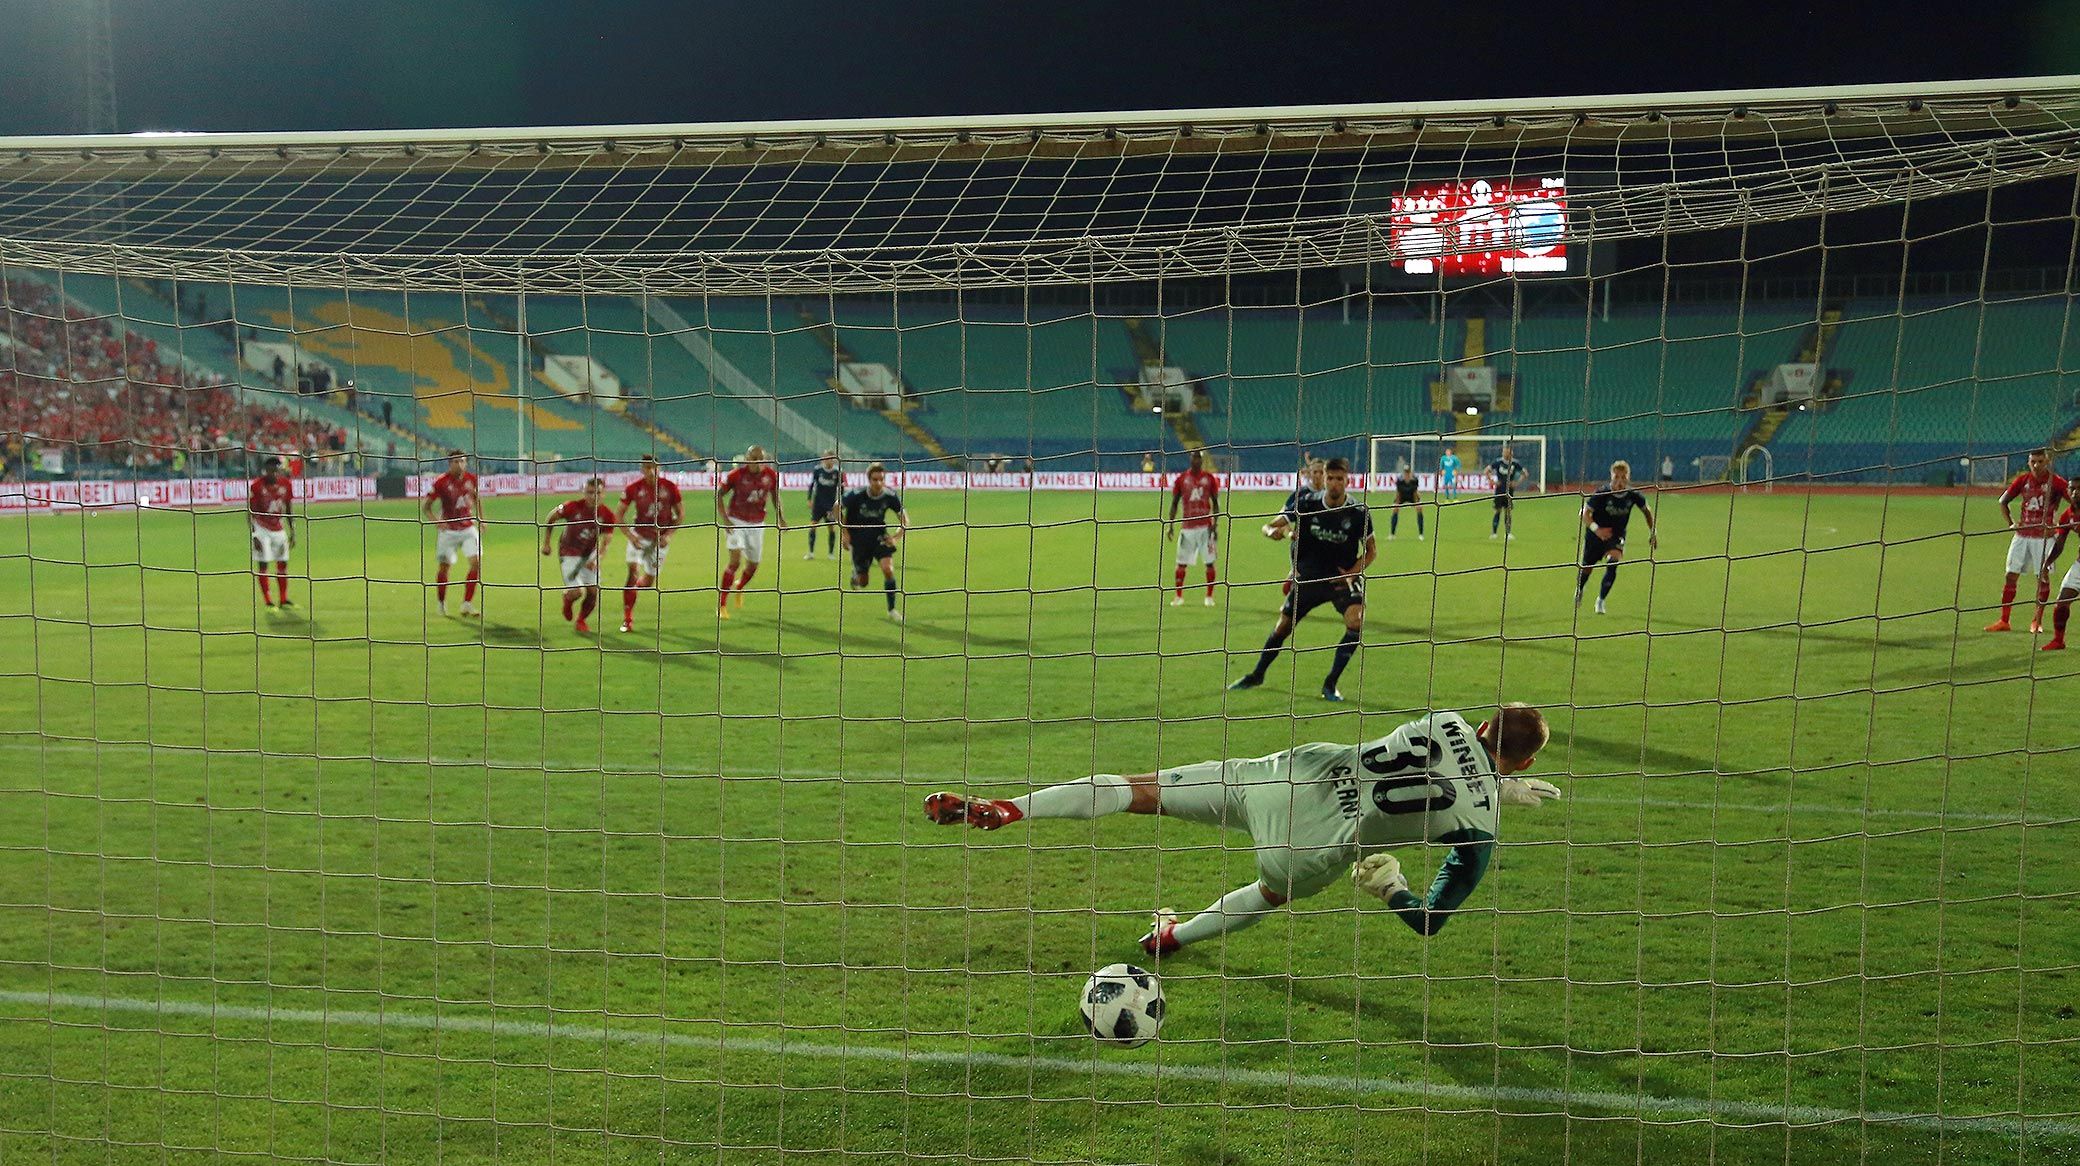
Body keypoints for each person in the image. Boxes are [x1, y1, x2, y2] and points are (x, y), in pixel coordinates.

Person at [923, 703, 1558, 955]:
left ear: (1481, 726)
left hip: (1283, 777)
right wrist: (1393, 886)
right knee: (1269, 894)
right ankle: (1175, 939)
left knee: (1140, 791)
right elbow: (1430, 921)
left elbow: (1448, 760)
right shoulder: (1480, 826)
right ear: (1526, 762)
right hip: (1310, 847)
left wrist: (1493, 777)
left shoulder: (1446, 719)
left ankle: (1012, 808)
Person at [1231, 456, 1375, 701]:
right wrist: (1271, 532)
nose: (1334, 483)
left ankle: (1330, 684)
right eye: (1330, 478)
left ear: (1347, 480)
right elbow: (1269, 525)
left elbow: (1371, 551)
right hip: (1309, 577)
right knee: (1282, 628)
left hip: (1340, 579)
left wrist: (1352, 572)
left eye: (1339, 479)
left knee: (1356, 621)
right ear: (1325, 478)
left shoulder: (1359, 512)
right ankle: (1257, 674)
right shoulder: (1306, 503)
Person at [1986, 448, 2069, 633]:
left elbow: (2075, 504)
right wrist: (2011, 523)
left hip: (2044, 539)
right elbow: (2003, 501)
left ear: (2047, 461)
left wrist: (2061, 523)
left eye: (2040, 461)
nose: (2036, 465)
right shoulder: (2023, 480)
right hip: (2022, 536)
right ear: (2028, 462)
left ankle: (2036, 622)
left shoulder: (2056, 482)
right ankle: (2004, 620)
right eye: (2033, 462)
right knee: (2010, 575)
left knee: (2042, 578)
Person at [1576, 460, 1658, 615]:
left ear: (1628, 478)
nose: (1620, 481)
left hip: (1616, 536)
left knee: (1613, 562)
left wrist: (1653, 532)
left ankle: (1601, 600)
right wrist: (1597, 530)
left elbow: (1647, 511)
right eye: (1617, 477)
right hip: (1595, 536)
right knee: (1586, 569)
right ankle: (1580, 589)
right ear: (1611, 477)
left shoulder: (1634, 495)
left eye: (1623, 477)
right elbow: (1584, 514)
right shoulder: (1602, 493)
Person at [716, 444, 784, 618]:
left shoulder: (770, 475)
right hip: (736, 521)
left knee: (753, 565)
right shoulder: (736, 475)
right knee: (735, 561)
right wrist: (725, 520)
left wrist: (780, 517)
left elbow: (775, 496)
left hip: (757, 524)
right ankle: (722, 604)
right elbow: (719, 494)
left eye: (761, 459)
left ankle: (739, 587)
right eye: (754, 459)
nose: (758, 462)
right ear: (747, 459)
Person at [618, 453, 683, 633]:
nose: (651, 471)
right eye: (647, 468)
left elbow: (680, 514)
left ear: (659, 468)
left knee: (648, 581)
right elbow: (619, 516)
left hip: (659, 541)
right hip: (639, 536)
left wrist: (669, 534)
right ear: (642, 469)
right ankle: (628, 619)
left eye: (654, 467)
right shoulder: (633, 488)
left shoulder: (670, 487)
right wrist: (632, 538)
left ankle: (633, 589)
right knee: (632, 572)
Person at [542, 477, 615, 635]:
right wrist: (546, 543)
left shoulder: (607, 515)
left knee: (593, 592)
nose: (593, 496)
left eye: (598, 493)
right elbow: (551, 518)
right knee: (577, 592)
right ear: (584, 492)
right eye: (590, 492)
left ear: (603, 494)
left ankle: (581, 620)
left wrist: (597, 559)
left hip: (590, 554)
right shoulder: (572, 506)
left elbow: (606, 542)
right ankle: (568, 599)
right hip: (569, 553)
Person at [841, 461, 907, 621]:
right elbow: (837, 507)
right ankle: (856, 576)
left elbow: (904, 520)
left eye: (881, 479)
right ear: (868, 480)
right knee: (863, 582)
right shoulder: (856, 494)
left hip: (879, 537)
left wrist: (895, 538)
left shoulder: (890, 496)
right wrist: (845, 533)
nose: (878, 483)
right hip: (859, 539)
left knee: (888, 569)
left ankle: (892, 610)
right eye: (875, 480)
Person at [422, 449, 482, 617]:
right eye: (456, 462)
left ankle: (467, 604)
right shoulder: (441, 482)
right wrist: (437, 521)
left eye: (462, 461)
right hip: (448, 530)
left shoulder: (472, 479)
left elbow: (476, 498)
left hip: (468, 528)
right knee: (444, 567)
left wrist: (481, 519)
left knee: (476, 562)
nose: (460, 464)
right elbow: (426, 506)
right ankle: (441, 603)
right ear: (449, 464)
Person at [1168, 448, 1221, 607]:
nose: (1196, 460)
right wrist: (1170, 526)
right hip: (1187, 527)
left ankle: (1209, 596)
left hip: (1206, 527)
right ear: (1190, 460)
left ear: (1202, 460)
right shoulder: (1181, 479)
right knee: (1181, 563)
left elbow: (1216, 503)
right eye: (1194, 458)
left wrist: (1215, 525)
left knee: (1209, 562)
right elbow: (1174, 504)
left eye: (1198, 458)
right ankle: (1178, 596)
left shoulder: (1209, 478)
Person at [247, 455, 296, 613]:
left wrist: (292, 531)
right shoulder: (256, 486)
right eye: (271, 469)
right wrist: (254, 536)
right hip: (262, 528)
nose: (274, 473)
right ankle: (268, 601)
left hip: (279, 528)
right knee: (263, 563)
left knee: (283, 563)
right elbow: (250, 512)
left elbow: (289, 508)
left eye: (276, 469)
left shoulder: (286, 484)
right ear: (266, 470)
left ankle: (283, 599)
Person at [2040, 497, 2080, 650]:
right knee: (2062, 603)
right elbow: (2059, 543)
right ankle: (2058, 640)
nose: (2076, 492)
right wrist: (2047, 563)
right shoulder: (2067, 515)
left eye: (2079, 488)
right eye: (2073, 488)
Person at [804, 450, 843, 560]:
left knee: (831, 528)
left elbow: (842, 488)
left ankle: (831, 554)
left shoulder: (837, 471)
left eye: (830, 458)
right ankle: (811, 553)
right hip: (818, 503)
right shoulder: (818, 470)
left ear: (833, 459)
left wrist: (841, 502)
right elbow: (812, 485)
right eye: (826, 458)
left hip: (830, 504)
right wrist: (809, 499)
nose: (828, 460)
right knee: (813, 525)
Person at [1487, 442, 1527, 539]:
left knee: (1508, 512)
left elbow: (1525, 473)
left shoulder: (1514, 463)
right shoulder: (1498, 462)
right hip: (1499, 491)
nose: (1506, 454)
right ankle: (1494, 533)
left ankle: (1507, 533)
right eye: (1505, 452)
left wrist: (1516, 483)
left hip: (1509, 491)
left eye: (1508, 452)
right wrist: (1492, 481)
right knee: (1498, 511)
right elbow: (1487, 470)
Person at [1387, 463, 1424, 540]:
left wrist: (1417, 503)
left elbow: (1415, 492)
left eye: (1408, 472)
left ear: (1410, 472)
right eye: (1405, 472)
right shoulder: (1400, 480)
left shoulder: (1414, 480)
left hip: (1411, 496)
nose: (1407, 474)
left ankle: (1421, 534)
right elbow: (1398, 493)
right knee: (1395, 509)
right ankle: (1392, 534)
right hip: (1402, 496)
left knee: (1419, 509)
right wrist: (1397, 503)